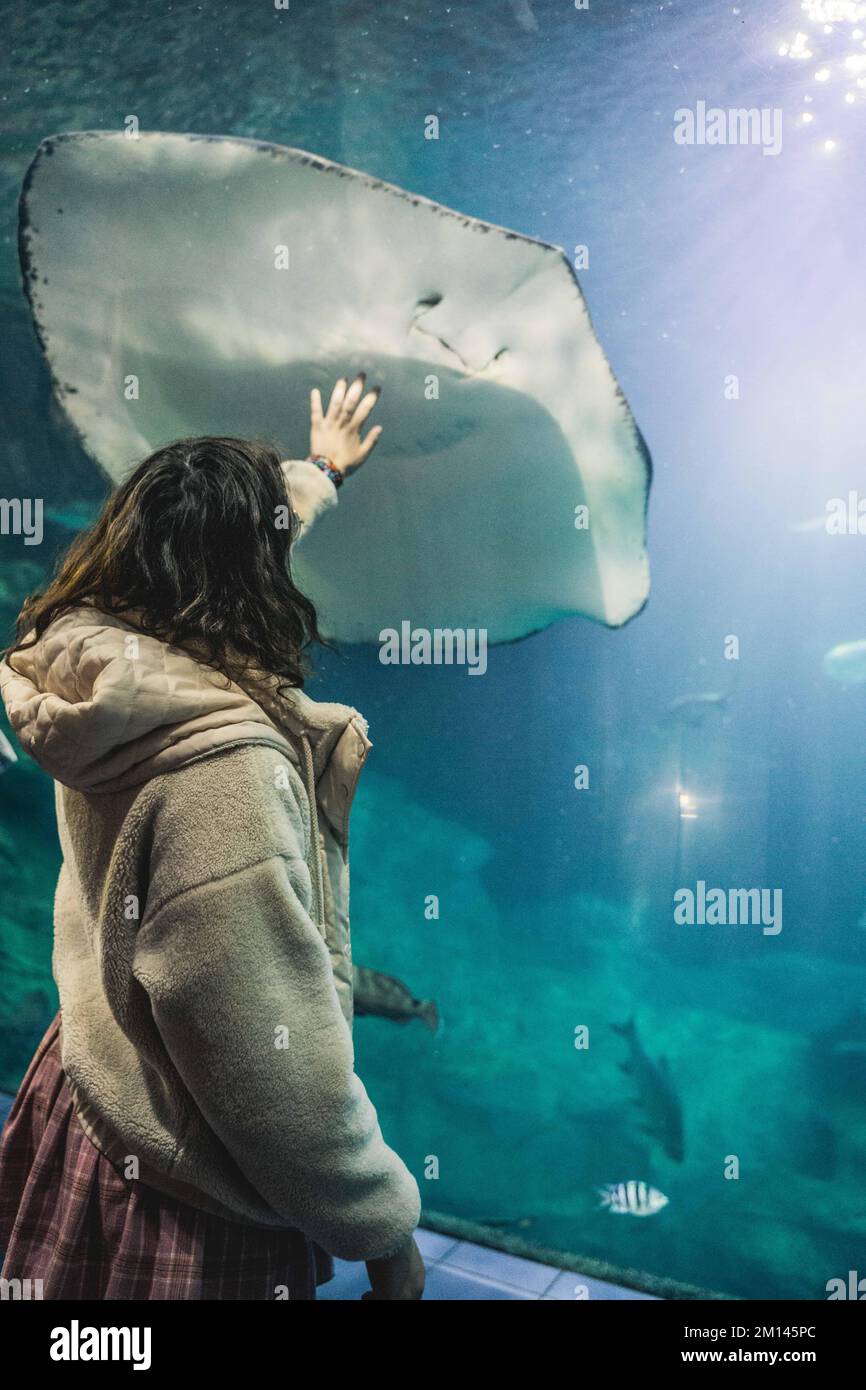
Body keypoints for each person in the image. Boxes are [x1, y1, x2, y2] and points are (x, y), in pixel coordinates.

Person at [0, 374, 426, 1301]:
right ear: (256, 573)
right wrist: (382, 1227)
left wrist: (315, 473)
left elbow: (198, 545)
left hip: (88, 1092)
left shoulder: (94, 664)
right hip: (185, 1186)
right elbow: (267, 1061)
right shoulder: (225, 773)